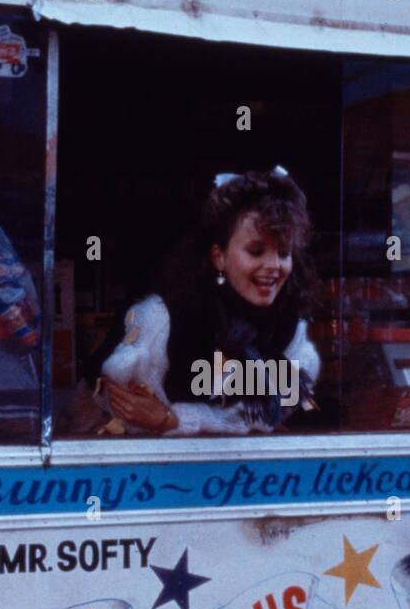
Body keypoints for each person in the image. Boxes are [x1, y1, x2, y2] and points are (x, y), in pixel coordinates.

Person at [83, 166, 321, 436]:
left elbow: (258, 421)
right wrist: (171, 421)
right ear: (218, 256)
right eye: (256, 252)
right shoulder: (161, 320)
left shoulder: (289, 329)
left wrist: (175, 420)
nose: (274, 265)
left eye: (283, 252)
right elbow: (130, 422)